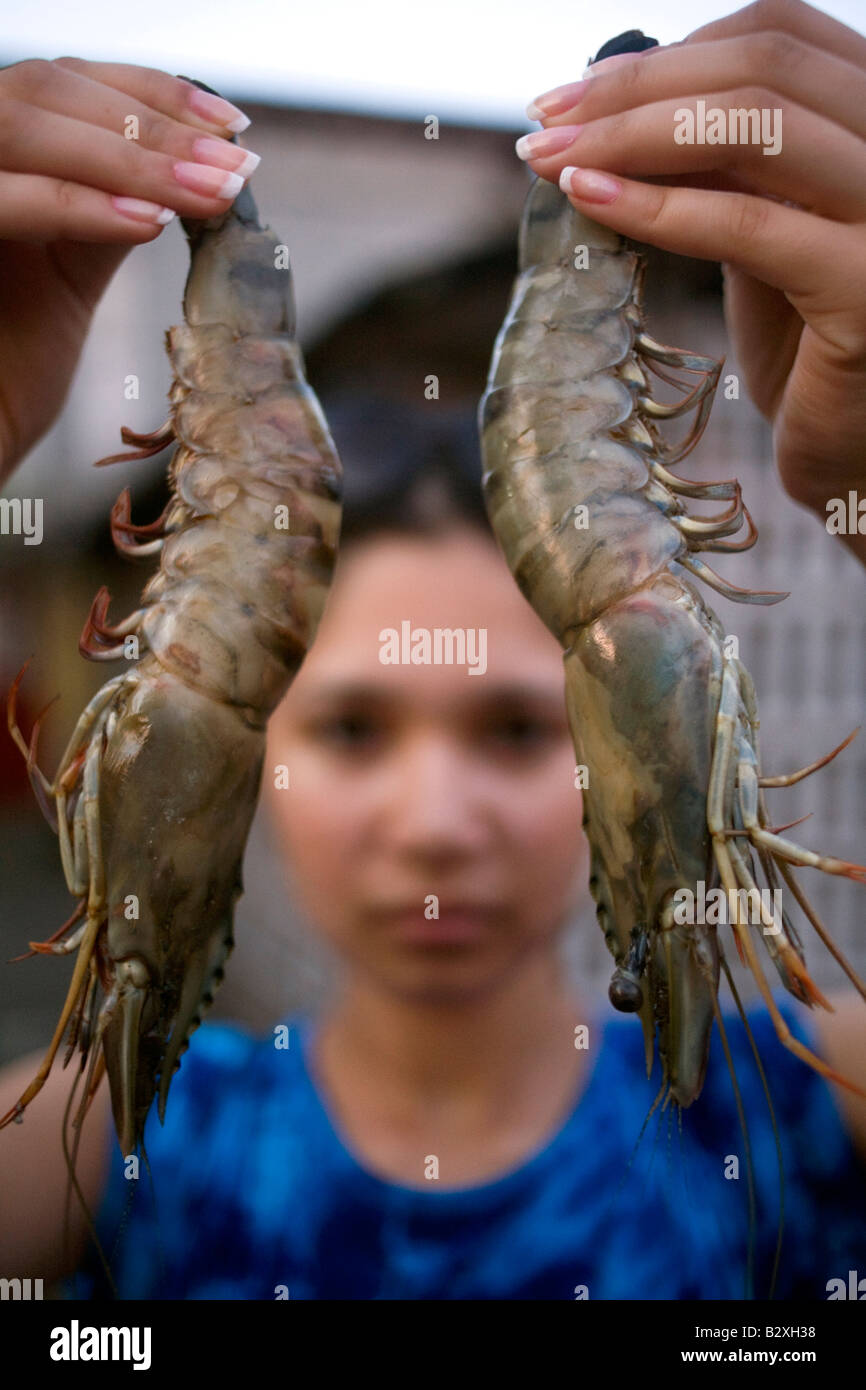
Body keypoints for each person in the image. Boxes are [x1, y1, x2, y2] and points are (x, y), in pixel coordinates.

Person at [1, 0, 866, 1300]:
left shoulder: (816, 1112)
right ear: (259, 743)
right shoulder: (80, 1157)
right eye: (354, 725)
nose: (435, 820)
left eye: (518, 727)